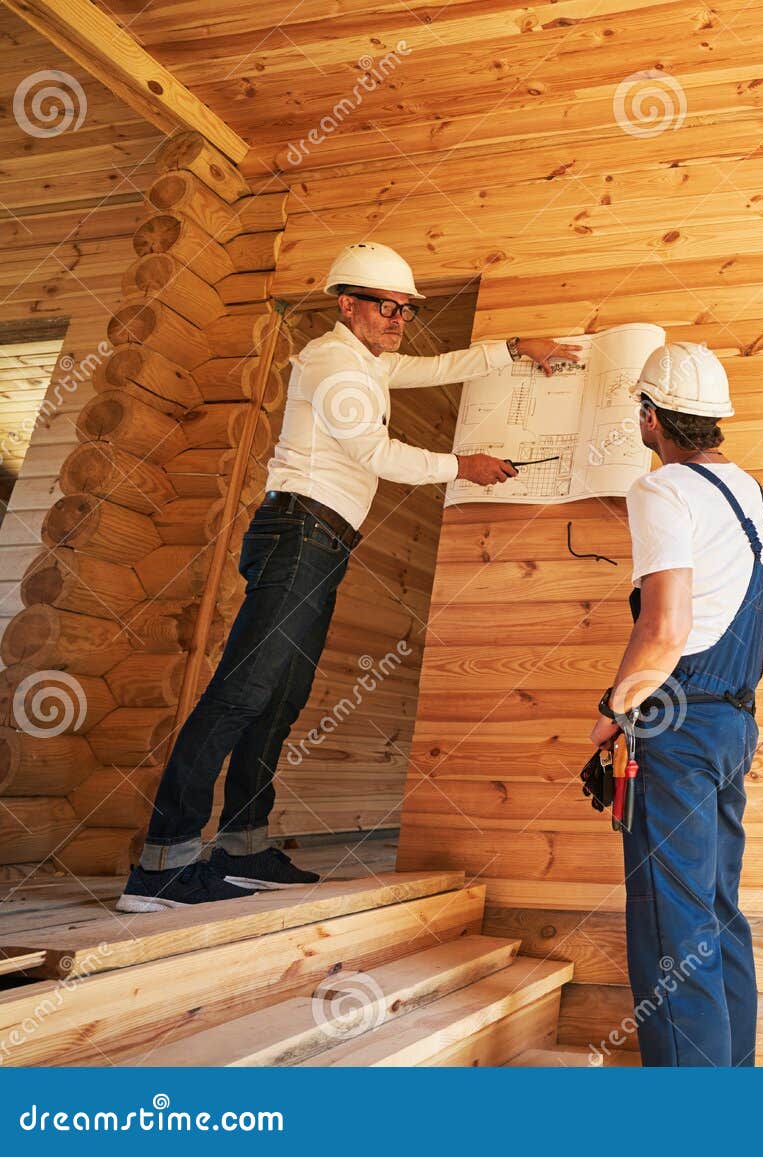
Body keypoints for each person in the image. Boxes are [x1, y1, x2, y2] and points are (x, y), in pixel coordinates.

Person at [117, 241, 581, 913]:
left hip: (322, 541)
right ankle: (161, 865)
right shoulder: (332, 362)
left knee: (280, 698)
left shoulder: (368, 362)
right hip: (297, 534)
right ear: (347, 304)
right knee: (241, 693)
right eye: (387, 307)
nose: (399, 320)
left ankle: (242, 848)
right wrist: (463, 466)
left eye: (405, 309)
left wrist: (513, 349)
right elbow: (374, 452)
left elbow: (436, 367)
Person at [589, 341, 763, 1066]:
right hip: (734, 722)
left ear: (650, 416)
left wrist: (614, 709)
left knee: (673, 923)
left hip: (678, 723)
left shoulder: (661, 489)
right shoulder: (756, 498)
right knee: (717, 910)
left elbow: (665, 627)